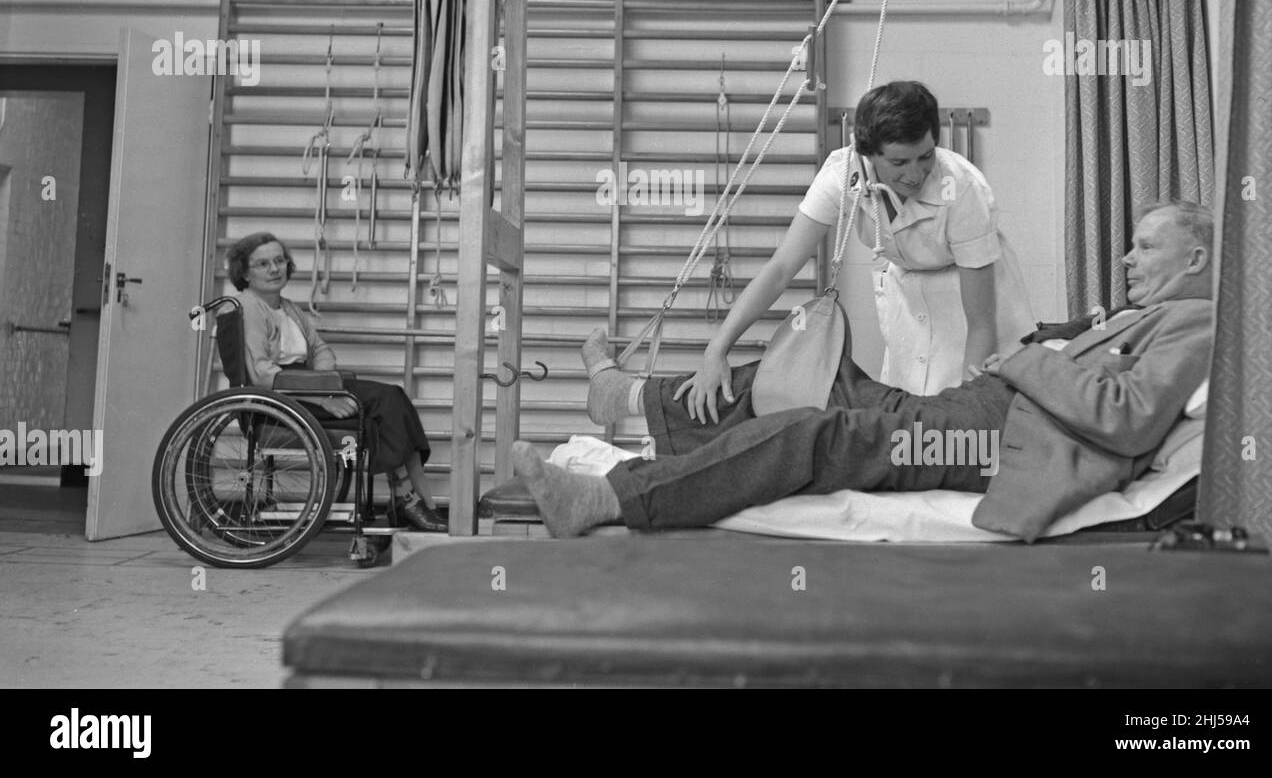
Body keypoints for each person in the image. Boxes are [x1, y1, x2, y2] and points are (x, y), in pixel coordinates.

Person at [514, 200, 1214, 543]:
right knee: (812, 373)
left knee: (822, 436)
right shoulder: (1135, 314)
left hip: (995, 441)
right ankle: (634, 397)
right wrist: (1053, 342)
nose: (1127, 258)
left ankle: (611, 497)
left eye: (1145, 246)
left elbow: (1126, 415)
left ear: (1198, 258)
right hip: (981, 410)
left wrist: (1028, 356)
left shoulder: (1201, 321)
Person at [678, 80, 1034, 424]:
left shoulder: (962, 188)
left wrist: (969, 411)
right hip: (912, 302)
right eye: (898, 163)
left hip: (976, 305)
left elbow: (981, 320)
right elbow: (781, 268)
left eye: (925, 157)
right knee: (912, 423)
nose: (915, 174)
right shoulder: (842, 174)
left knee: (977, 423)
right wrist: (716, 350)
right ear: (868, 154)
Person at [226, 231, 446, 532]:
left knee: (393, 397)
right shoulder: (248, 306)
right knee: (385, 403)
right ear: (245, 273)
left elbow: (320, 350)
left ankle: (411, 498)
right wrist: (321, 396)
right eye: (263, 264)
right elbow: (262, 373)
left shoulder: (288, 307)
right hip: (281, 399)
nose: (275, 269)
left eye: (279, 260)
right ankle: (408, 498)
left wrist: (324, 384)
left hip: (309, 386)